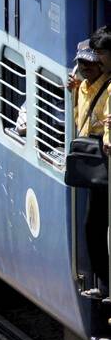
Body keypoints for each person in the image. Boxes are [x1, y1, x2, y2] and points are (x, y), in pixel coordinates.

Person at [70, 31, 111, 297]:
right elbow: (79, 118)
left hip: (105, 163)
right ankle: (104, 284)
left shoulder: (108, 87)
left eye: (90, 64)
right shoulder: (83, 87)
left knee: (99, 227)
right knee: (92, 227)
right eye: (81, 64)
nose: (84, 69)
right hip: (96, 167)